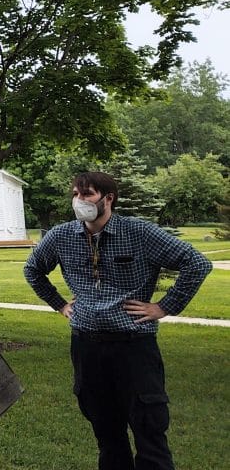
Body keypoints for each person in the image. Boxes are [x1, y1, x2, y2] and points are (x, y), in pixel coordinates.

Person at [23, 171, 211, 470]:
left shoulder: (138, 232)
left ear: (108, 198)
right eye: (75, 194)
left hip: (133, 347)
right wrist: (59, 304)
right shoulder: (61, 236)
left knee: (149, 430)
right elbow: (32, 270)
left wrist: (164, 306)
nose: (79, 201)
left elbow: (197, 263)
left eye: (86, 194)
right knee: (107, 434)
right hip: (87, 346)